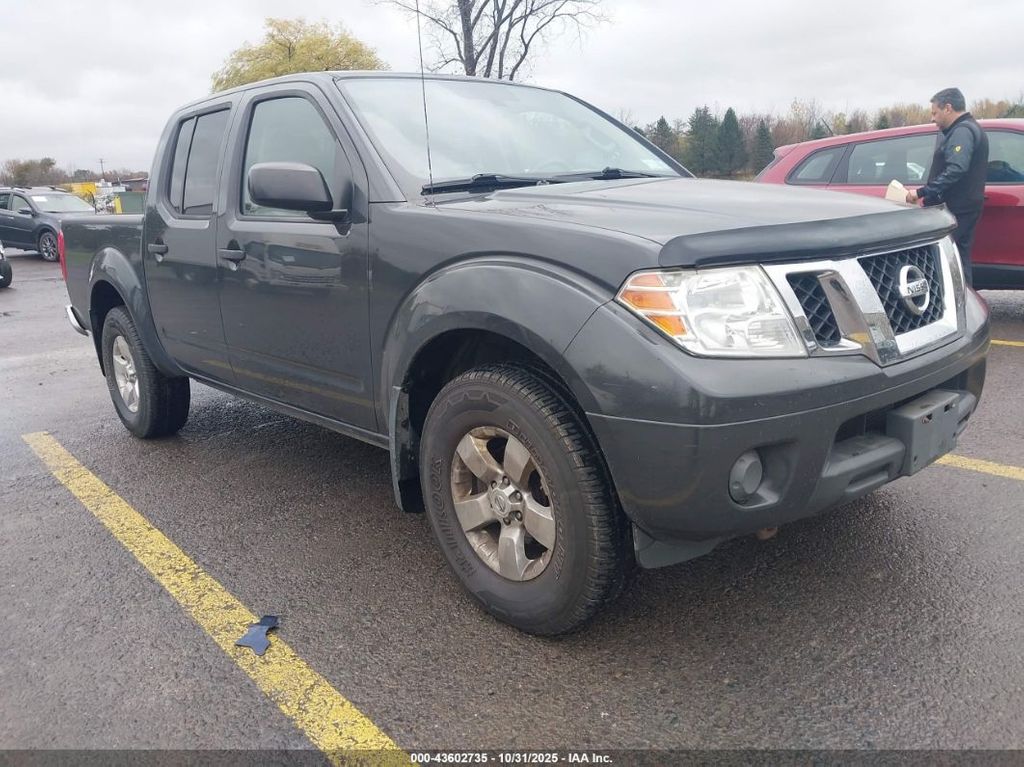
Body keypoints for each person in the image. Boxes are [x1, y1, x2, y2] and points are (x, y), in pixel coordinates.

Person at [906, 88, 989, 287]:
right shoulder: (970, 128)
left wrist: (922, 192)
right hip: (965, 206)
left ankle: (952, 301)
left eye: (935, 112)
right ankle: (966, 300)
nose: (932, 118)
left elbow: (956, 169)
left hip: (955, 209)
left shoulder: (962, 132)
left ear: (948, 108)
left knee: (944, 260)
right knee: (959, 258)